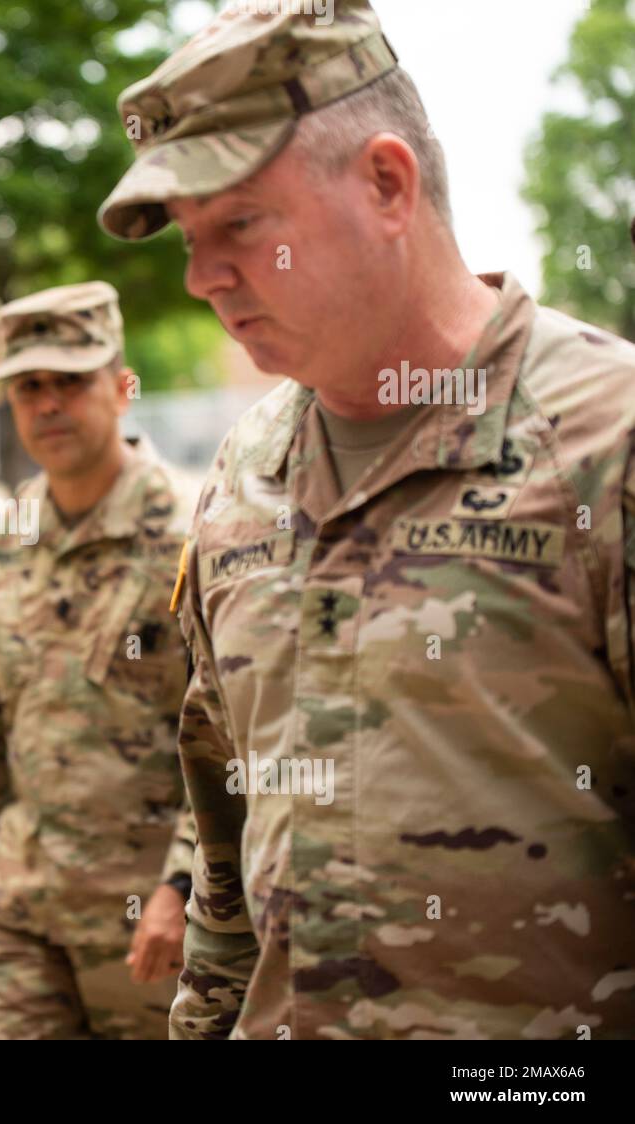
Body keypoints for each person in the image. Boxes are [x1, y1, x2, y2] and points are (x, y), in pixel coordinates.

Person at [98, 0, 635, 1040]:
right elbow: (225, 852)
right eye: (191, 240)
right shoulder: (245, 474)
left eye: (240, 224)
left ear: (387, 184)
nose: (202, 276)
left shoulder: (604, 444)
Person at [0, 281, 197, 1039]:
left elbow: (234, 735)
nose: (47, 404)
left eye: (69, 381)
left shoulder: (195, 535)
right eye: (27, 387)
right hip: (24, 912)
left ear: (121, 385)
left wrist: (186, 884)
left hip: (152, 918)